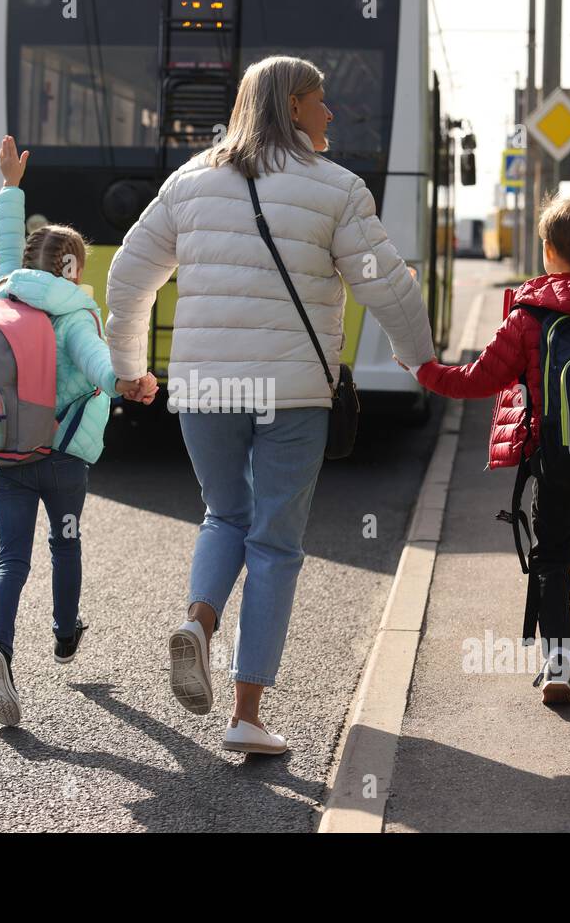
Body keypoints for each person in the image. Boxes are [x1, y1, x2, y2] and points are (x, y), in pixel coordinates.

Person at [103, 56, 435, 753]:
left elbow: (131, 278)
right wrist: (421, 358)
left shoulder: (188, 181)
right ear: (292, 106)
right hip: (291, 391)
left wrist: (128, 368)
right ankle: (245, 714)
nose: (330, 113)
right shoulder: (337, 189)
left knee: (224, 512)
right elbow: (387, 285)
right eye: (320, 101)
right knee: (276, 543)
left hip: (205, 386)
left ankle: (198, 623)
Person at [401, 192, 570, 703]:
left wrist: (424, 371)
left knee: (550, 557)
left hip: (552, 461)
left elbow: (475, 379)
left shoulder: (529, 317)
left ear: (548, 250)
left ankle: (558, 663)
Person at [0, 136, 156, 728]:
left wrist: (11, 187)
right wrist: (129, 382)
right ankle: (63, 633)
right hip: (64, 462)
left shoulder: (6, 289)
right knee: (66, 544)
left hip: (8, 453)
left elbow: (4, 243)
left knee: (11, 560)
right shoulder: (77, 313)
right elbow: (101, 367)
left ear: (31, 261)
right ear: (74, 267)